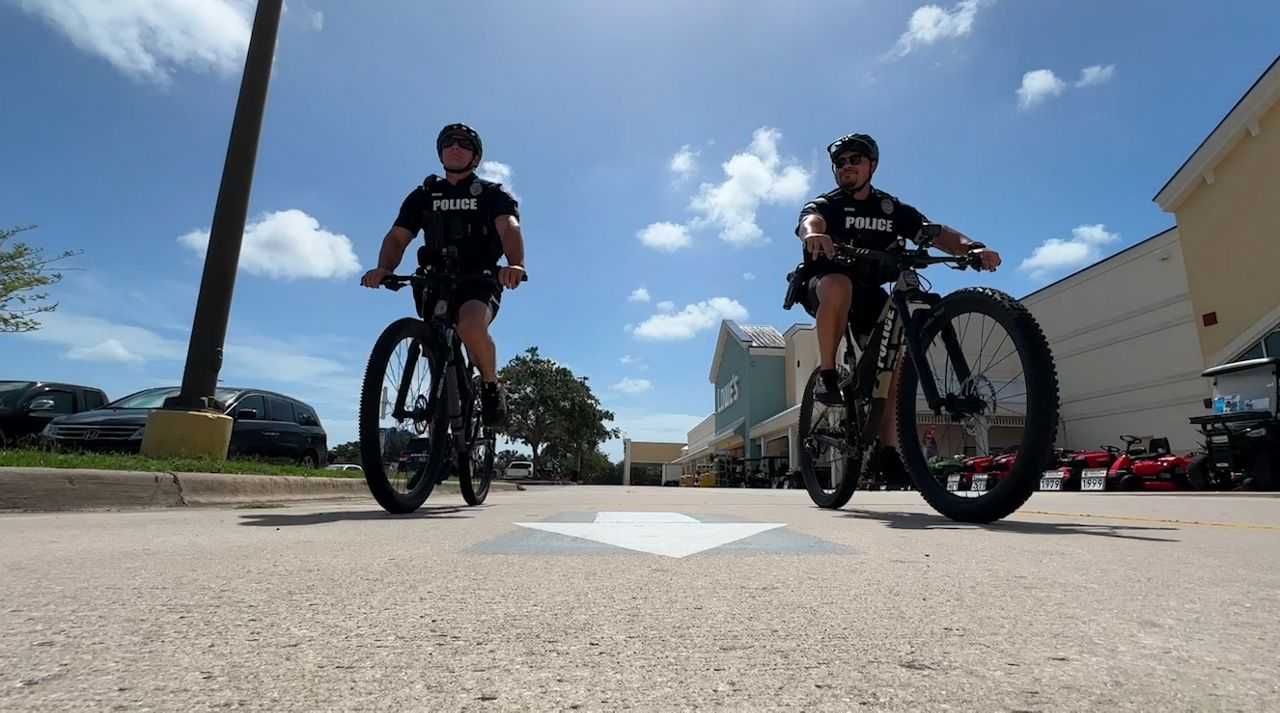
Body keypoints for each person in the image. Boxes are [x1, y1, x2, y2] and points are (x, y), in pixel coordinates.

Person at [793, 132, 1002, 448]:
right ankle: (828, 375)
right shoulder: (827, 204)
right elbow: (811, 220)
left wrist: (973, 247)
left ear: (872, 165)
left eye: (854, 159)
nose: (846, 165)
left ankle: (889, 452)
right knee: (839, 285)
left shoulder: (890, 209)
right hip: (825, 283)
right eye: (840, 162)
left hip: (869, 292)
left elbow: (935, 233)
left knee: (891, 364)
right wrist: (813, 235)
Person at [361, 123, 526, 426]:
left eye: (464, 144)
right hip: (434, 281)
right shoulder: (423, 195)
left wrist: (515, 264)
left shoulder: (492, 194)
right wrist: (385, 269)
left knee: (471, 328)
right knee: (434, 349)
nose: (455, 147)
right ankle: (442, 426)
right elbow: (398, 236)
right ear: (440, 152)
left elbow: (509, 228)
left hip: (478, 280)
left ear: (475, 156)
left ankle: (491, 385)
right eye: (449, 142)